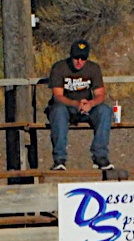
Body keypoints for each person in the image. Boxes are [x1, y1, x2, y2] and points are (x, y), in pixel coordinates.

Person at [47, 38, 112, 171]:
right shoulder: (59, 68)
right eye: (76, 58)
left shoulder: (93, 68)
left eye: (83, 58)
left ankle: (100, 156)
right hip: (65, 107)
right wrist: (75, 104)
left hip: (86, 108)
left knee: (105, 110)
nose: (79, 61)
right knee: (58, 111)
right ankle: (59, 159)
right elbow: (57, 96)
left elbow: (100, 94)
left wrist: (91, 103)